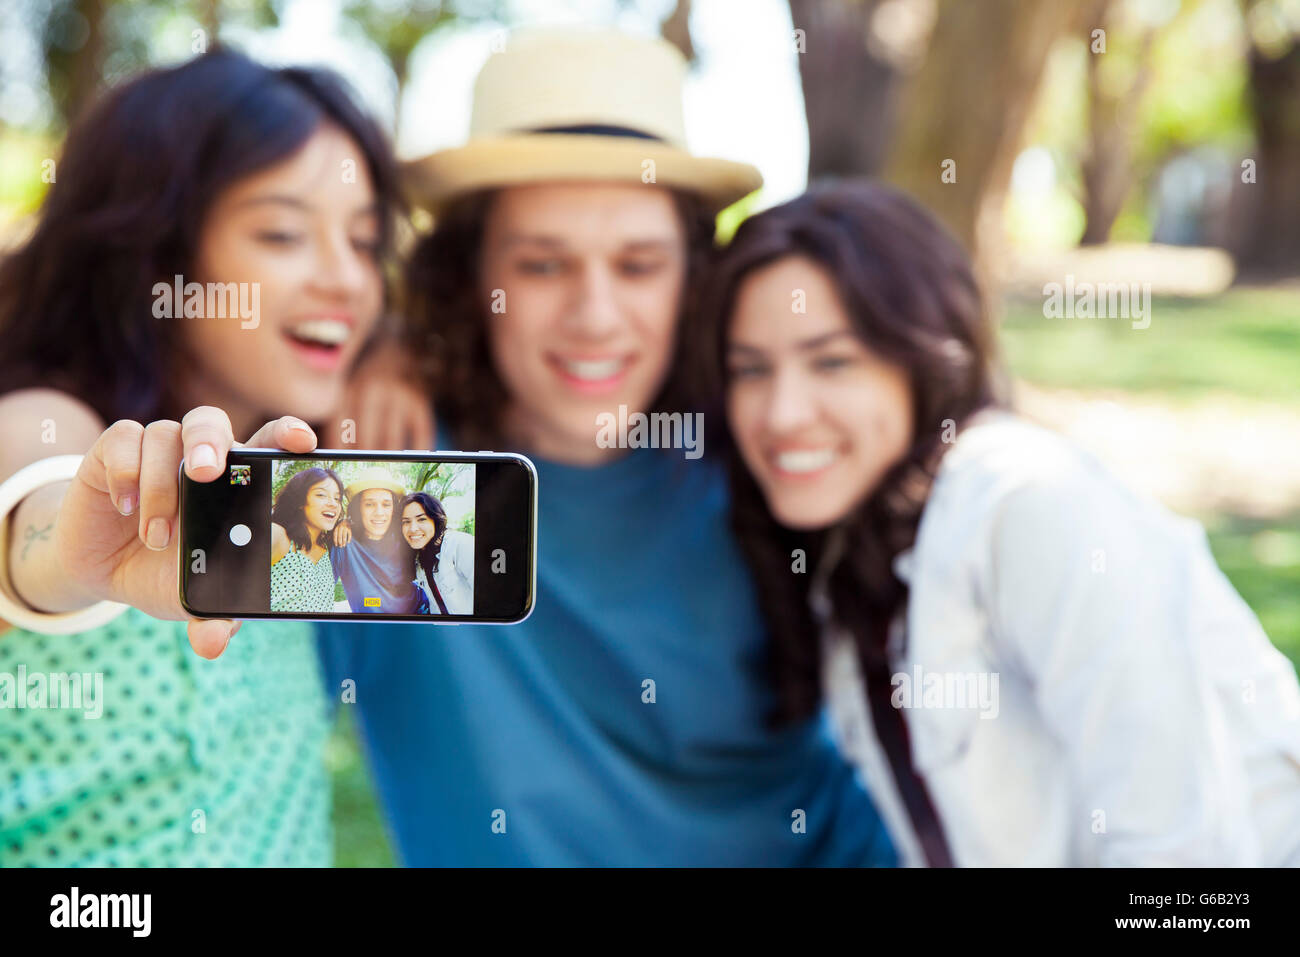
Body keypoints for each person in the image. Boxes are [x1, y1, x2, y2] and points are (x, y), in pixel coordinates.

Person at [314, 29, 897, 865]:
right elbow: (180, 621)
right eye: (544, 266)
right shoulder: (401, 486)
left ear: (693, 279)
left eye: (638, 265)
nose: (594, 315)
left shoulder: (766, 449)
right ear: (474, 278)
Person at [691, 179, 1300, 866]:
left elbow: (1185, 864)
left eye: (832, 361)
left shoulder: (1029, 504)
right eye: (751, 370)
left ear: (921, 359)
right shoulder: (850, 569)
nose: (782, 413)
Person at [0, 49, 403, 865]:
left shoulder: (299, 463)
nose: (347, 281)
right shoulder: (49, 420)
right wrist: (73, 547)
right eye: (284, 232)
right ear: (157, 252)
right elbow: (31, 521)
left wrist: (400, 356)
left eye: (364, 242)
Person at [329, 470, 420, 614]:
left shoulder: (405, 535)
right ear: (358, 508)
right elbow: (321, 594)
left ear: (394, 509)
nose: (379, 512)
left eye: (386, 504)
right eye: (369, 504)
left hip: (417, 614)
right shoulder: (343, 542)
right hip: (370, 627)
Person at [271, 467, 345, 613]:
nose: (333, 503)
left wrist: (347, 522)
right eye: (321, 495)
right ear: (300, 501)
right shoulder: (279, 536)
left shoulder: (330, 546)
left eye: (337, 498)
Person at [398, 491, 473, 615]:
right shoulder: (418, 559)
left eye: (421, 519)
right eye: (406, 521)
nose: (412, 528)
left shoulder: (459, 544)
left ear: (435, 520)